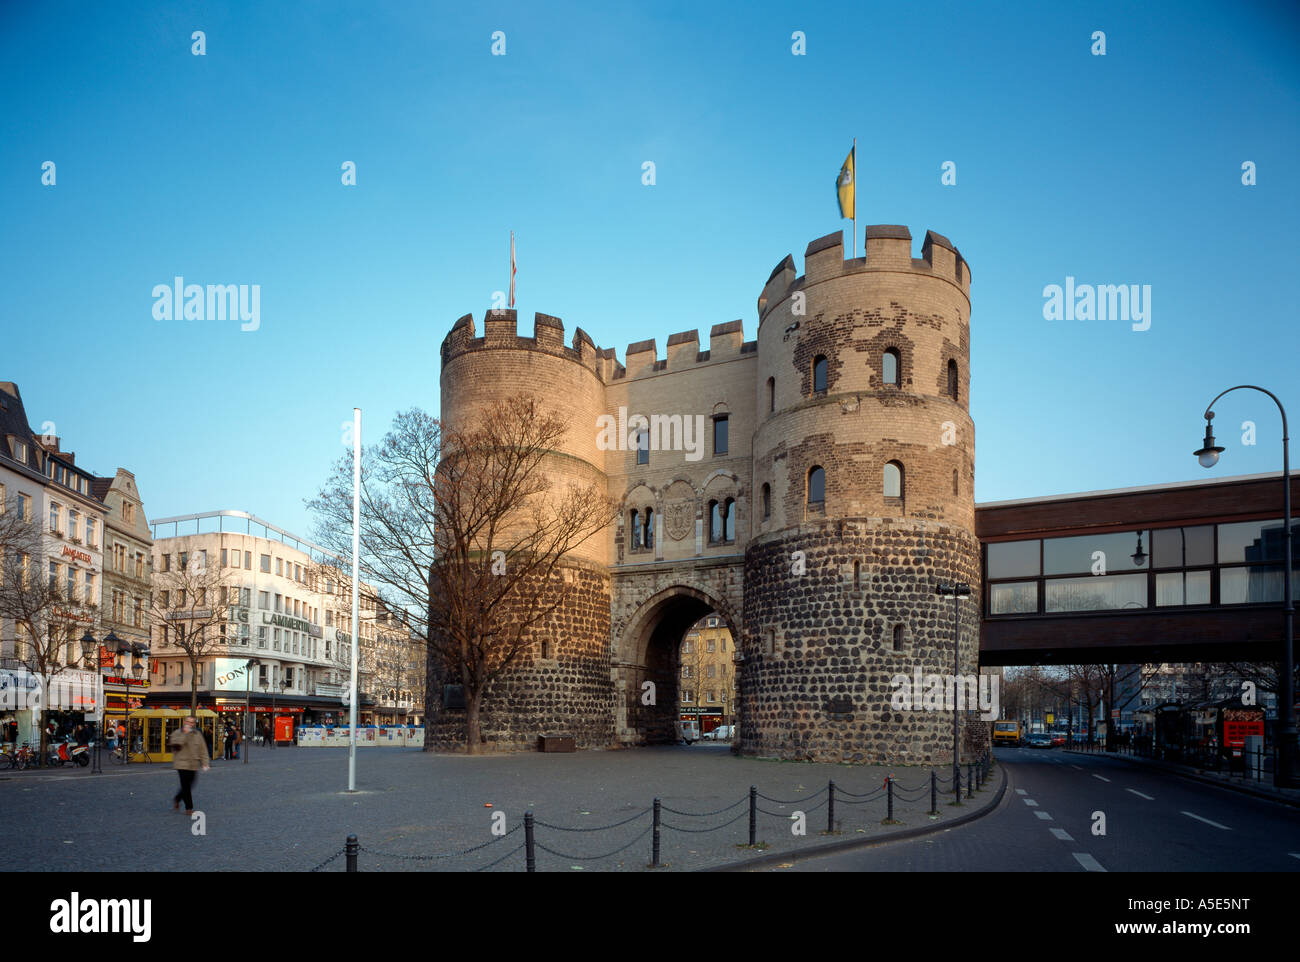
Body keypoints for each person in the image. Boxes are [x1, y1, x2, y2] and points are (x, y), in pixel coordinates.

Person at [168, 716, 209, 815]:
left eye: (192, 722)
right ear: (184, 722)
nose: (189, 724)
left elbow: (203, 749)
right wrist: (184, 734)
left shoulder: (197, 734)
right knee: (185, 785)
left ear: (194, 724)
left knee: (191, 784)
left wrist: (205, 763)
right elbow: (176, 746)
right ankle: (189, 808)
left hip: (193, 764)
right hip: (181, 763)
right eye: (188, 722)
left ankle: (177, 798)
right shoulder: (177, 733)